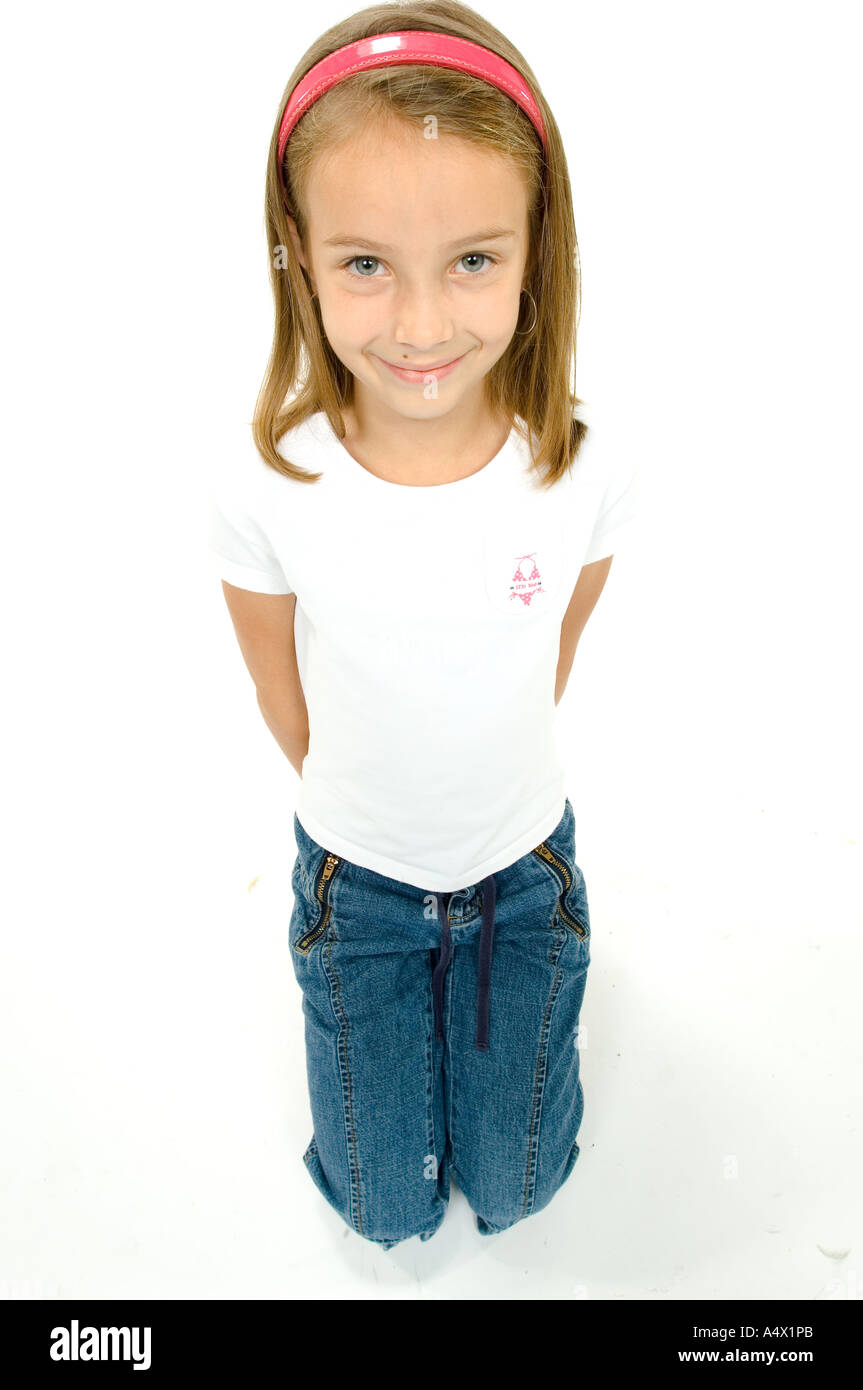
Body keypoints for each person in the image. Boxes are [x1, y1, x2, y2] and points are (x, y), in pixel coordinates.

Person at [208, 1, 639, 1250]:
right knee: (381, 1205)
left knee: (517, 1190)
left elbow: (554, 643)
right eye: (363, 263)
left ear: (532, 249)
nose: (419, 325)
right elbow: (277, 687)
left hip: (520, 875)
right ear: (293, 247)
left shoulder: (583, 464)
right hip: (362, 887)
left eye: (470, 260)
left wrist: (472, 785)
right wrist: (382, 807)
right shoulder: (264, 481)